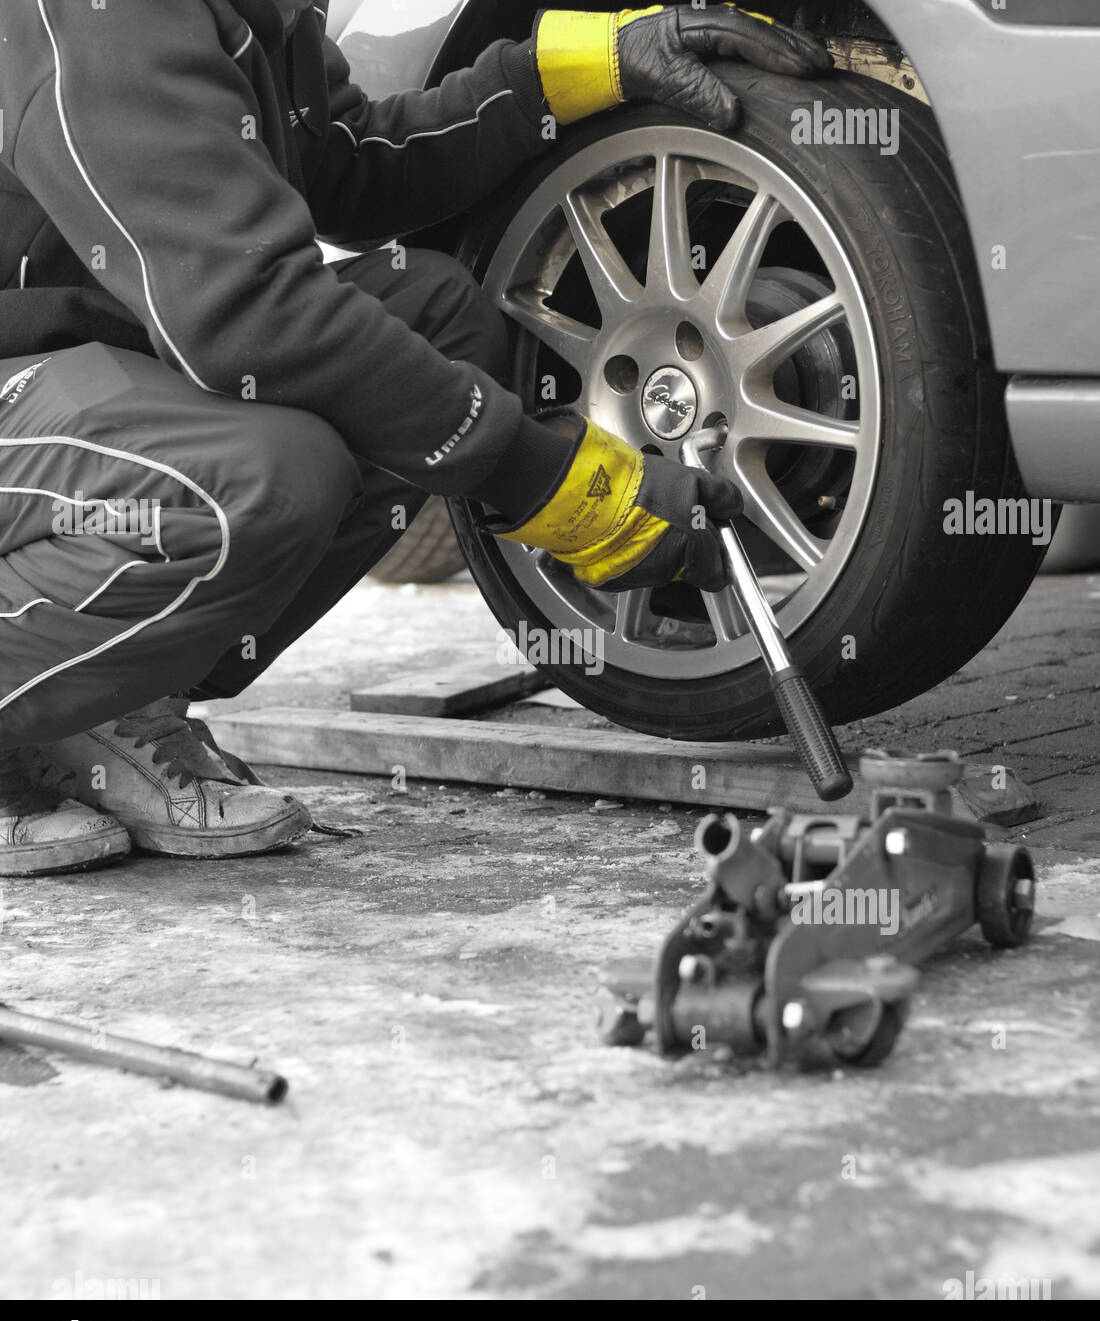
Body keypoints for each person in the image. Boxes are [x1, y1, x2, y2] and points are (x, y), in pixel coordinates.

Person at [0, 0, 830, 875]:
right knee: (255, 481)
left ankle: (108, 699)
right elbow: (248, 315)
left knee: (434, 321)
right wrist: (551, 484)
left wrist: (564, 74)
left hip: (75, 360)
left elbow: (349, 168)